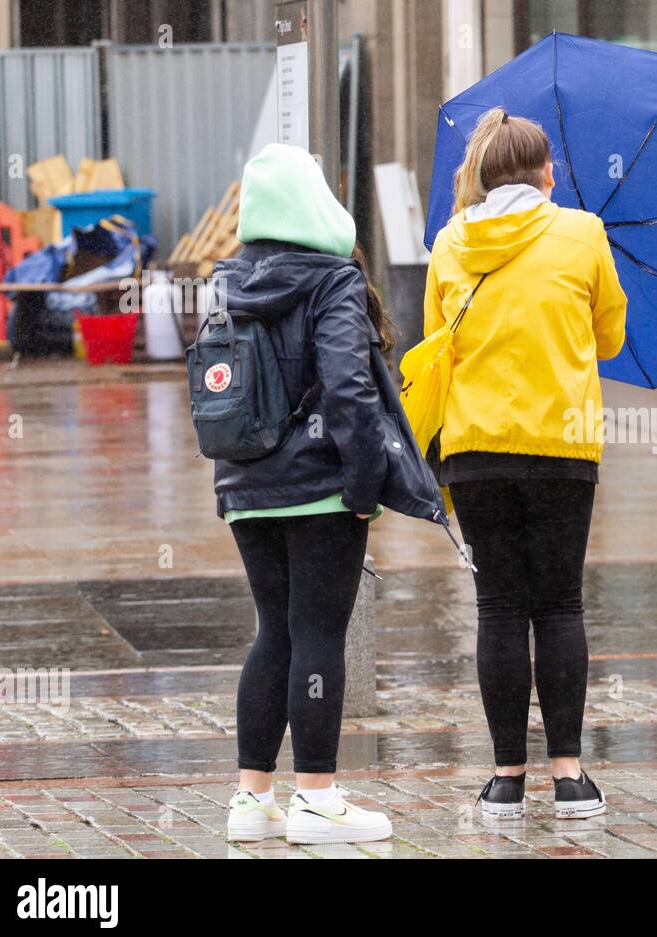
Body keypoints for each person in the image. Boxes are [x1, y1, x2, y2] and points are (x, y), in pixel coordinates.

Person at [423, 108, 627, 819]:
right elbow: (608, 337)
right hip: (560, 444)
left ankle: (506, 778)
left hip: (474, 448)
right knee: (560, 602)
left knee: (500, 607)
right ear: (547, 173)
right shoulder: (582, 233)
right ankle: (569, 776)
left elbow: (434, 347)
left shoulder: (450, 243)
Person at [215, 143, 408, 845]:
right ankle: (318, 799)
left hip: (243, 483)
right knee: (319, 634)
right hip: (319, 485)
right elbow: (349, 388)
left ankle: (251, 800)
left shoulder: (225, 281)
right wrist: (364, 484)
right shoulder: (332, 280)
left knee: (275, 632)